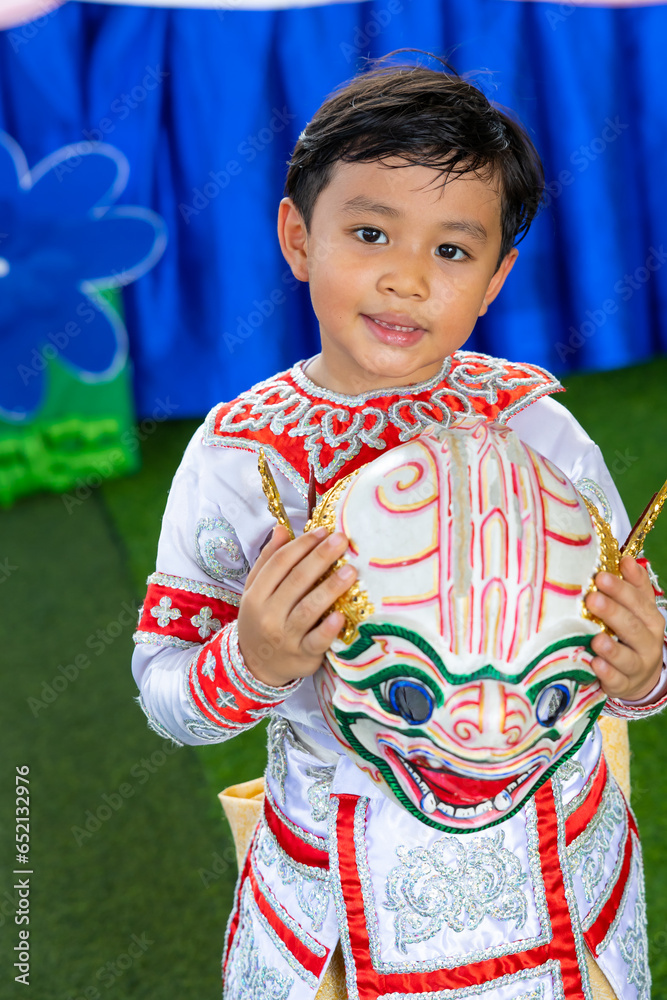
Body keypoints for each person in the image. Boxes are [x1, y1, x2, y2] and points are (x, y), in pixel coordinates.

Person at [132, 55, 667, 1000]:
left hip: (557, 877)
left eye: (452, 251)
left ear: (497, 277)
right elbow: (166, 695)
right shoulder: (236, 459)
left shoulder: (542, 428)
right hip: (332, 896)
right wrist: (252, 658)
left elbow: (637, 643)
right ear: (298, 235)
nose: (407, 279)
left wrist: (640, 670)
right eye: (371, 231)